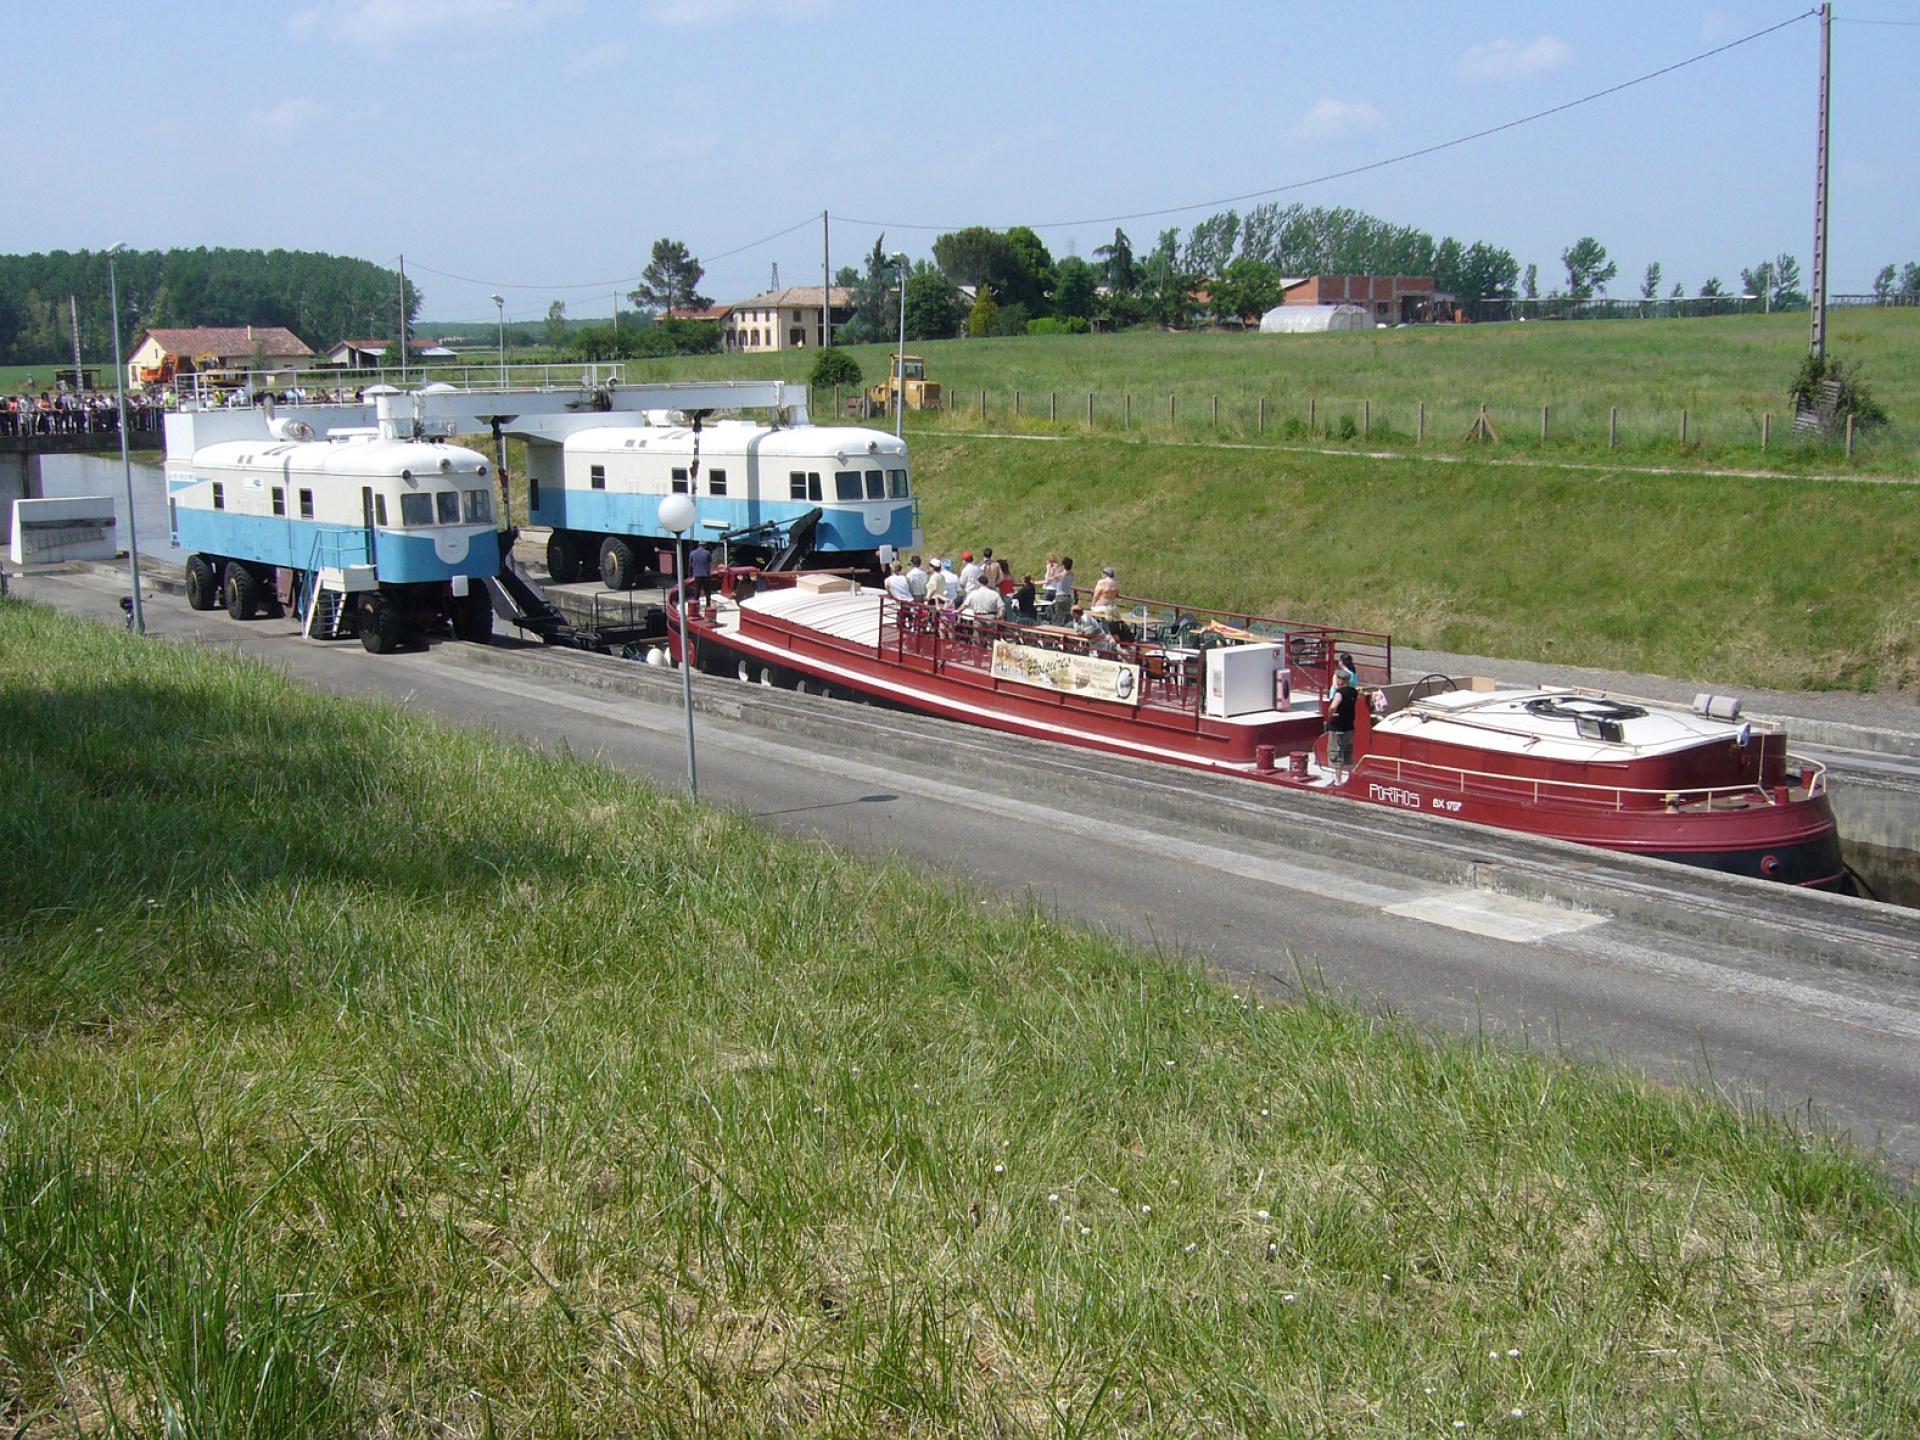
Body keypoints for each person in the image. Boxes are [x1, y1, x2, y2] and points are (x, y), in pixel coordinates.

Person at [1325, 668, 1359, 780]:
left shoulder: (1339, 694)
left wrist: (1329, 717)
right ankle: (1350, 779)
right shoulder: (1354, 692)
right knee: (1348, 753)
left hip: (1337, 727)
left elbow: (1333, 707)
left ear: (1340, 680)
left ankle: (1338, 781)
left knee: (1336, 754)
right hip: (1349, 727)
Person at [1047, 556, 1076, 624]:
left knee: (1058, 616)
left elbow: (1048, 579)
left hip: (1060, 596)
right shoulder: (1072, 574)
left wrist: (1049, 568)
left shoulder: (1061, 575)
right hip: (1068, 596)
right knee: (1065, 617)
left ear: (1063, 565)